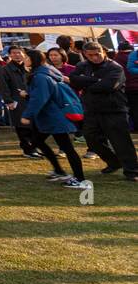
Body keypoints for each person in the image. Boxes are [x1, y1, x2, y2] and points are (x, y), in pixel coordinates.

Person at [68, 41, 137, 182]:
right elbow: (73, 80)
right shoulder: (82, 65)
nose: (94, 57)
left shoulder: (114, 67)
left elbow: (107, 86)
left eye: (97, 54)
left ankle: (132, 170)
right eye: (90, 55)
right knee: (91, 139)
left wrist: (86, 83)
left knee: (121, 141)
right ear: (85, 54)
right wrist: (95, 80)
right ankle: (113, 162)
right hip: (91, 109)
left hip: (114, 109)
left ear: (103, 52)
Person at [21, 48, 89, 190]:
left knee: (67, 148)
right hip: (52, 115)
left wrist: (27, 115)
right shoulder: (47, 71)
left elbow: (40, 98)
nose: (24, 59)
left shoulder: (40, 76)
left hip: (54, 116)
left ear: (33, 60)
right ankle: (59, 170)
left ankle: (80, 179)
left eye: (26, 57)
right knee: (37, 140)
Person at [0, 46, 40, 158]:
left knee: (34, 126)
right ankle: (28, 149)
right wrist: (9, 101)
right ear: (10, 55)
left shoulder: (29, 68)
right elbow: (3, 87)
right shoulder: (4, 69)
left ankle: (33, 148)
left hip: (31, 100)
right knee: (22, 127)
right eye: (14, 53)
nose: (17, 55)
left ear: (23, 54)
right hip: (17, 101)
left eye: (19, 53)